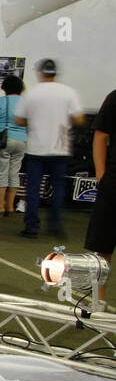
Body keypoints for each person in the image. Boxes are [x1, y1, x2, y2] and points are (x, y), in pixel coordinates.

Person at [14, 58, 85, 239]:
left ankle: (32, 228)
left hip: (36, 148)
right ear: (55, 73)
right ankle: (55, 226)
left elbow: (20, 120)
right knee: (59, 188)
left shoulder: (31, 93)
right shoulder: (68, 92)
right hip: (60, 147)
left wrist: (36, 120)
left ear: (40, 73)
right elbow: (79, 120)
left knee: (33, 188)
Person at [84, 87, 115, 297]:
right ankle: (97, 301)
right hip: (113, 183)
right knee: (102, 246)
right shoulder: (115, 98)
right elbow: (100, 136)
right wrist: (101, 175)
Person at [0, 74, 26, 217]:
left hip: (3, 140)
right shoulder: (26, 102)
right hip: (22, 141)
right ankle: (10, 206)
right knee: (14, 173)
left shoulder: (2, 101)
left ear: (5, 88)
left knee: (0, 172)